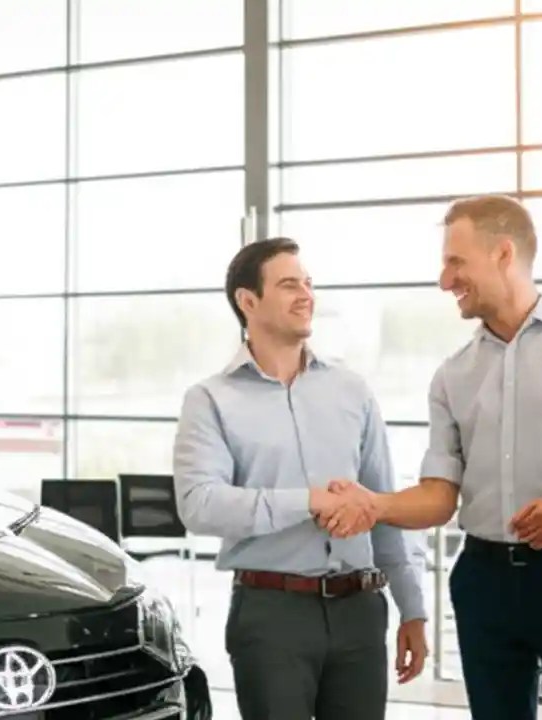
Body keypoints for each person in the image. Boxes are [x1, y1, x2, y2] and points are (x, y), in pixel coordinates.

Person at [321, 195, 542, 720]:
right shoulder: (452, 375)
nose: (445, 280)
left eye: (455, 262)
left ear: (504, 254)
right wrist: (374, 504)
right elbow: (440, 497)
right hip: (483, 581)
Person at [172, 237, 428, 720]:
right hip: (271, 615)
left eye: (308, 284)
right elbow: (199, 503)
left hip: (360, 611)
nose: (306, 294)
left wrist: (411, 608)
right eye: (289, 284)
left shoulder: (352, 390)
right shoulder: (209, 400)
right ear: (247, 301)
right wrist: (309, 501)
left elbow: (383, 505)